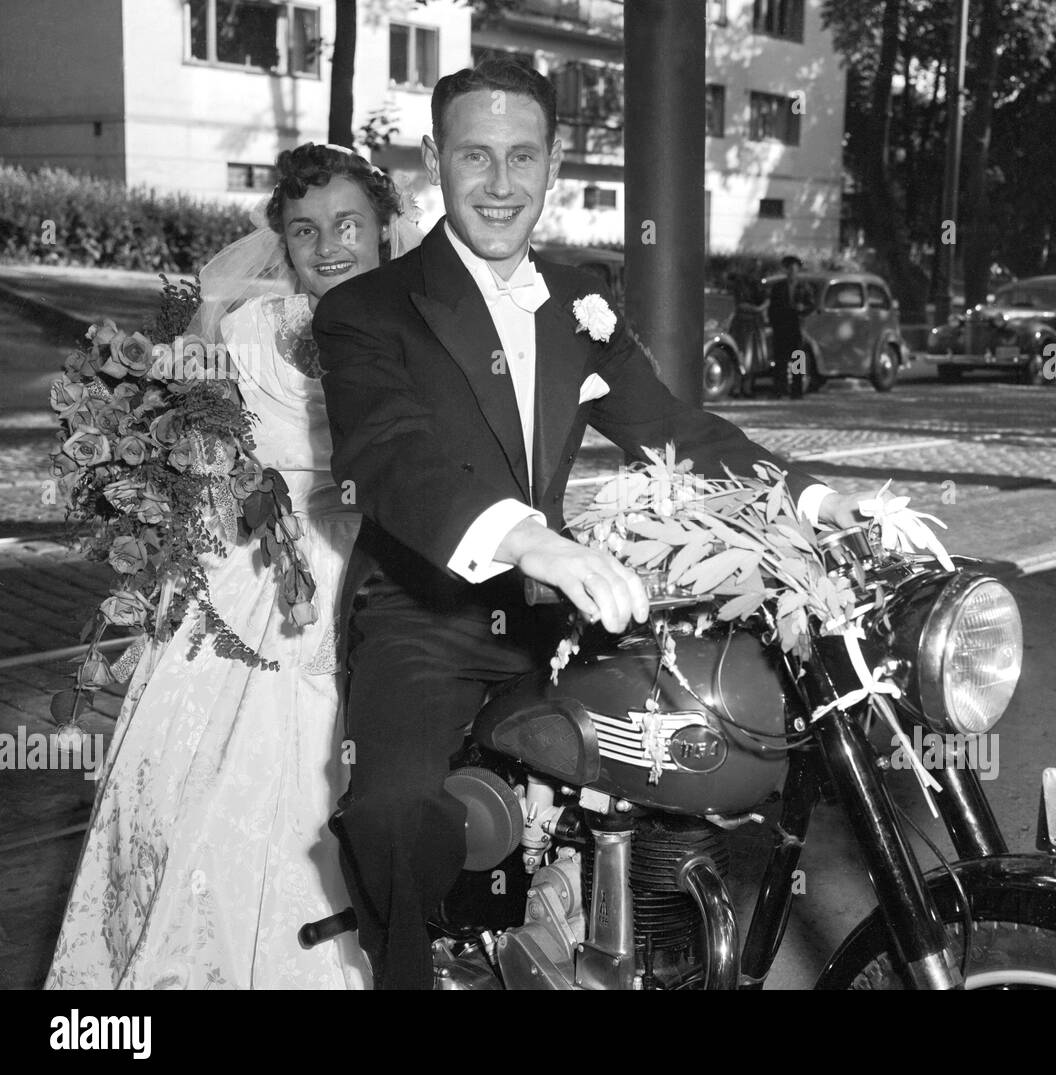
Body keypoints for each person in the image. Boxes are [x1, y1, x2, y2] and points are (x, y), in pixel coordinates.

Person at [313, 60, 872, 990]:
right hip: (424, 615)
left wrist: (813, 502)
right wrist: (531, 540)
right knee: (394, 811)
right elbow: (391, 457)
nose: (501, 183)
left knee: (697, 740)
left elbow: (676, 432)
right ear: (434, 161)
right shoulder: (364, 310)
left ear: (555, 163)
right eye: (475, 155)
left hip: (560, 612)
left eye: (523, 156)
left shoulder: (582, 298)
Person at [45, 143, 415, 989]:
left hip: (381, 557)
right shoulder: (245, 330)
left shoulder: (417, 328)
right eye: (305, 230)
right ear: (282, 242)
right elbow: (200, 432)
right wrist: (222, 480)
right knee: (215, 771)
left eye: (349, 225)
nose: (329, 245)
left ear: (384, 230)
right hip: (260, 564)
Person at [767, 254, 816, 398]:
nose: (792, 272)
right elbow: (772, 308)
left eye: (794, 269)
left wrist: (803, 309)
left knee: (798, 359)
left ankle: (797, 390)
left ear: (798, 271)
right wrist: (774, 324)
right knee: (780, 360)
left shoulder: (804, 287)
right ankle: (780, 390)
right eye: (789, 269)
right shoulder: (778, 287)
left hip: (797, 327)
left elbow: (812, 305)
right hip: (782, 327)